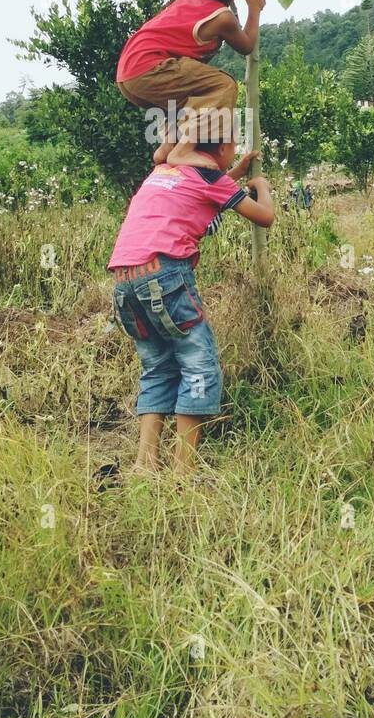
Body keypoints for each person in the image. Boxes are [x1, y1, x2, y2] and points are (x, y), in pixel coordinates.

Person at [108, 140, 274, 476]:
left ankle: (145, 463)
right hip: (164, 275)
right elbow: (265, 217)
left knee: (157, 367)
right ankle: (183, 470)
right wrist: (261, 186)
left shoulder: (162, 171)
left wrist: (236, 172)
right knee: (197, 363)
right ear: (221, 147)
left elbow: (202, 191)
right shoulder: (210, 178)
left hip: (124, 280)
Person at [115, 0, 265, 164]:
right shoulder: (222, 18)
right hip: (150, 67)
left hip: (129, 71)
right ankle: (184, 150)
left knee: (187, 100)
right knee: (222, 85)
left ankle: (166, 149)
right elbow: (247, 45)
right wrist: (254, 9)